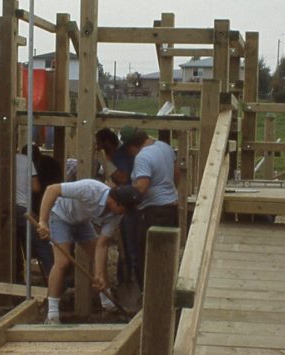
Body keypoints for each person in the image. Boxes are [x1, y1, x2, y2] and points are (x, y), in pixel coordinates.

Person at [36, 180, 141, 324]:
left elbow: (102, 245)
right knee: (62, 262)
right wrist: (43, 221)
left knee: (99, 259)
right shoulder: (90, 189)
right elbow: (51, 189)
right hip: (61, 216)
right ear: (114, 202)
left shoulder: (117, 215)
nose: (124, 213)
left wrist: (99, 275)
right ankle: (52, 313)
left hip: (82, 221)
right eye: (124, 209)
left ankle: (106, 301)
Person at [0, 145, 54, 281]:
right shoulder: (27, 160)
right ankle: (56, 279)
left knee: (6, 246)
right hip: (22, 209)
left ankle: (12, 279)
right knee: (42, 243)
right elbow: (36, 187)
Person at [125, 129, 179, 286]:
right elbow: (176, 174)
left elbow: (141, 187)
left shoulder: (142, 157)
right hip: (170, 208)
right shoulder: (164, 147)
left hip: (153, 212)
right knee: (168, 254)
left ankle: (150, 295)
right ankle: (168, 292)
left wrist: (126, 199)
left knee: (148, 257)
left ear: (131, 147)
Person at [96, 127, 140, 285]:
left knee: (130, 245)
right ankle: (124, 278)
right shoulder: (117, 154)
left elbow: (123, 178)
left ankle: (131, 280)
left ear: (107, 142)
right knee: (125, 246)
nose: (98, 147)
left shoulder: (121, 154)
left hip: (128, 204)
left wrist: (106, 163)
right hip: (122, 202)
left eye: (100, 144)